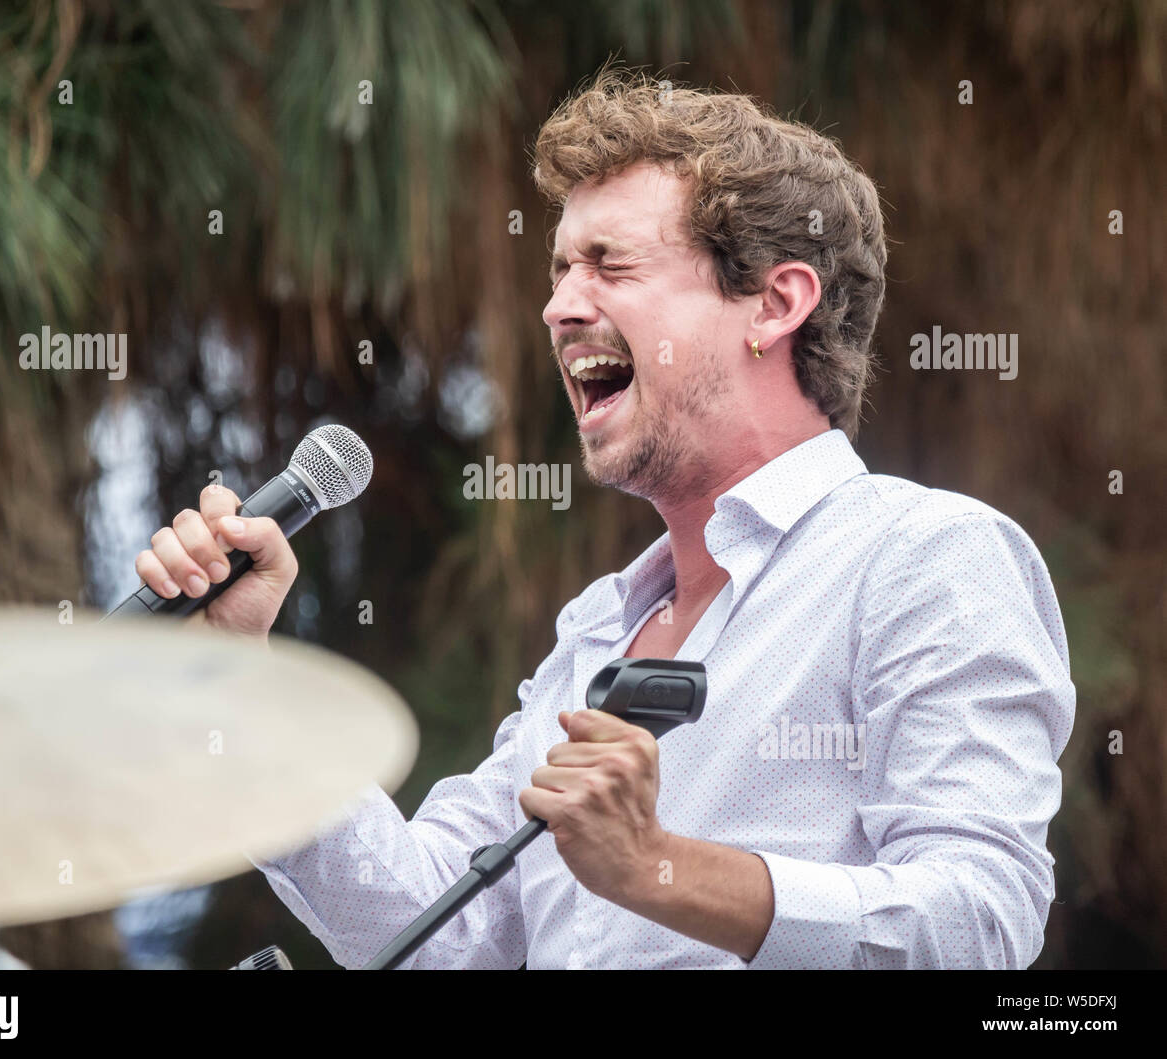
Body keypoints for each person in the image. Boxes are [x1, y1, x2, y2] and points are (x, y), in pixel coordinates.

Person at [132, 69, 1075, 969]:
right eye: (557, 271)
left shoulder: (925, 557)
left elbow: (980, 920)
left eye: (608, 264)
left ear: (775, 304)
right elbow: (431, 930)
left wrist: (658, 865)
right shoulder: (596, 629)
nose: (555, 307)